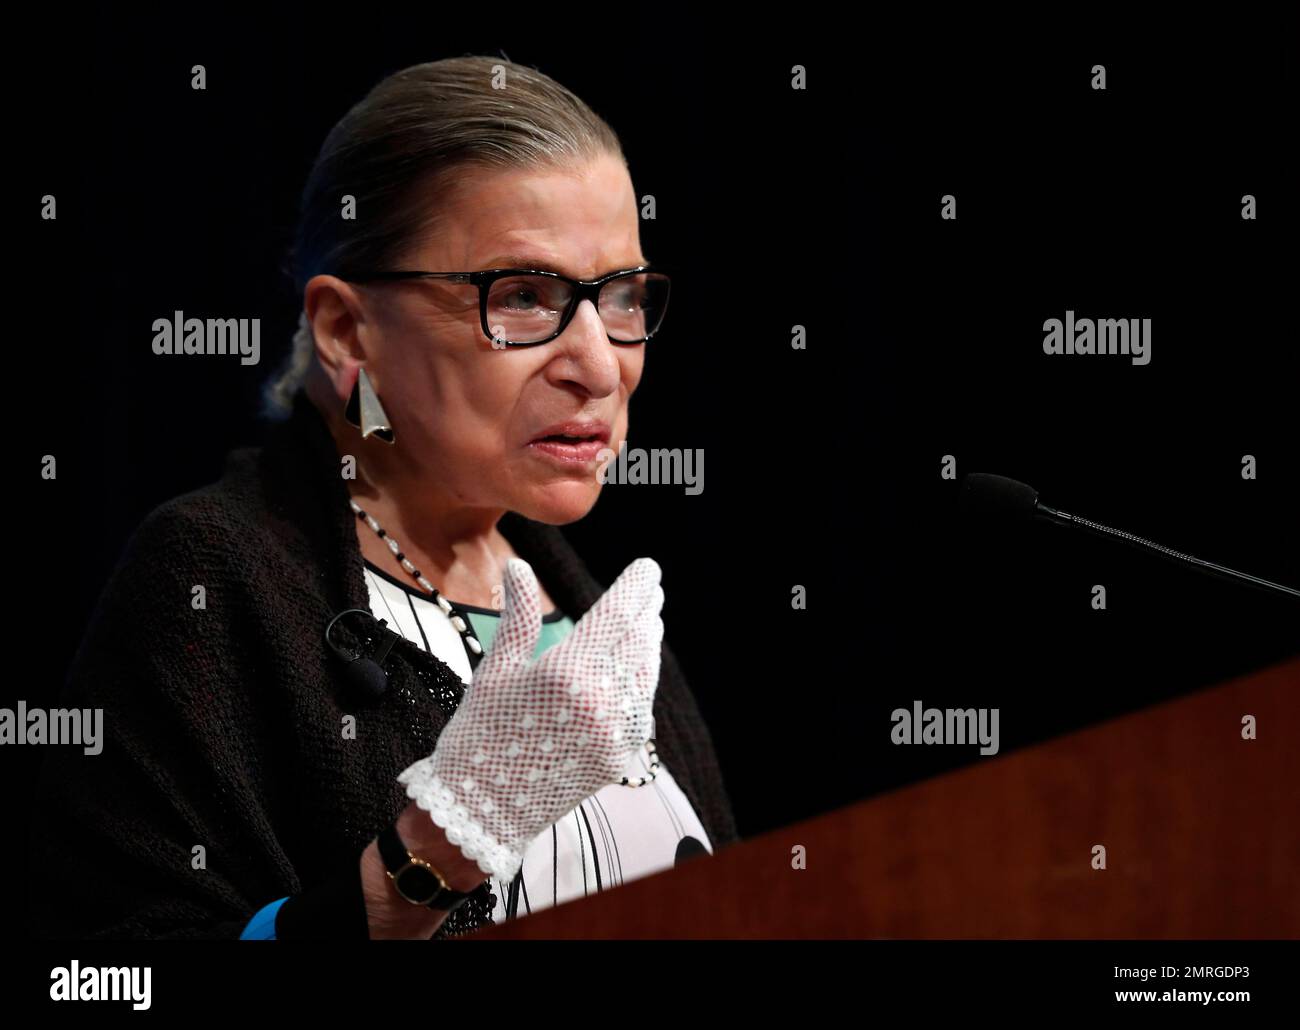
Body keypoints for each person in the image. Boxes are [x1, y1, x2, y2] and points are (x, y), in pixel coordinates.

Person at [30, 55, 739, 940]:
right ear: (345, 329)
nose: (600, 366)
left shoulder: (596, 610)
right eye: (522, 295)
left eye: (622, 297)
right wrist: (427, 858)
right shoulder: (214, 578)